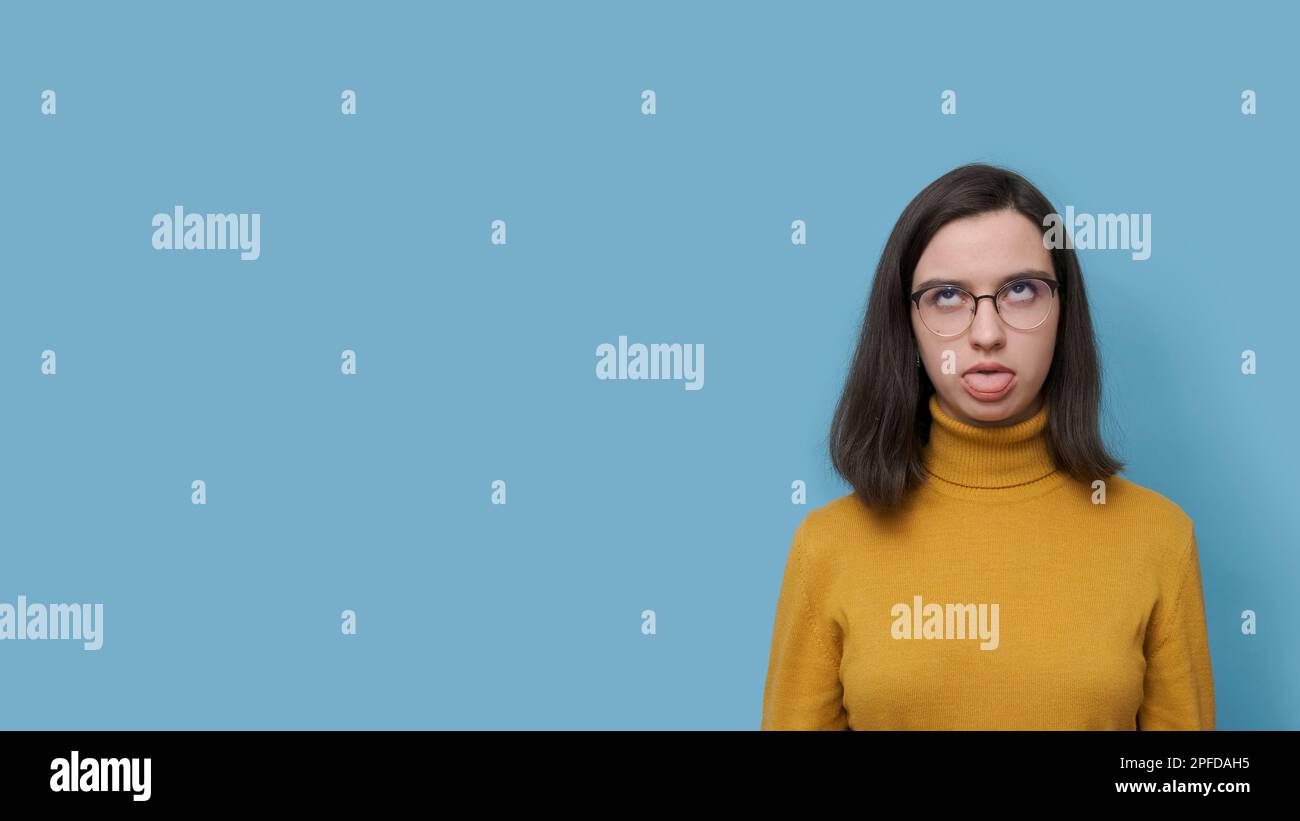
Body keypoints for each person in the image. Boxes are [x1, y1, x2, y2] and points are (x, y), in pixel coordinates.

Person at [760, 163, 1214, 730]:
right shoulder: (827, 548)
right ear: (907, 321)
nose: (987, 332)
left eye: (1020, 290)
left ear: (1063, 310)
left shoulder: (1159, 538)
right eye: (947, 295)